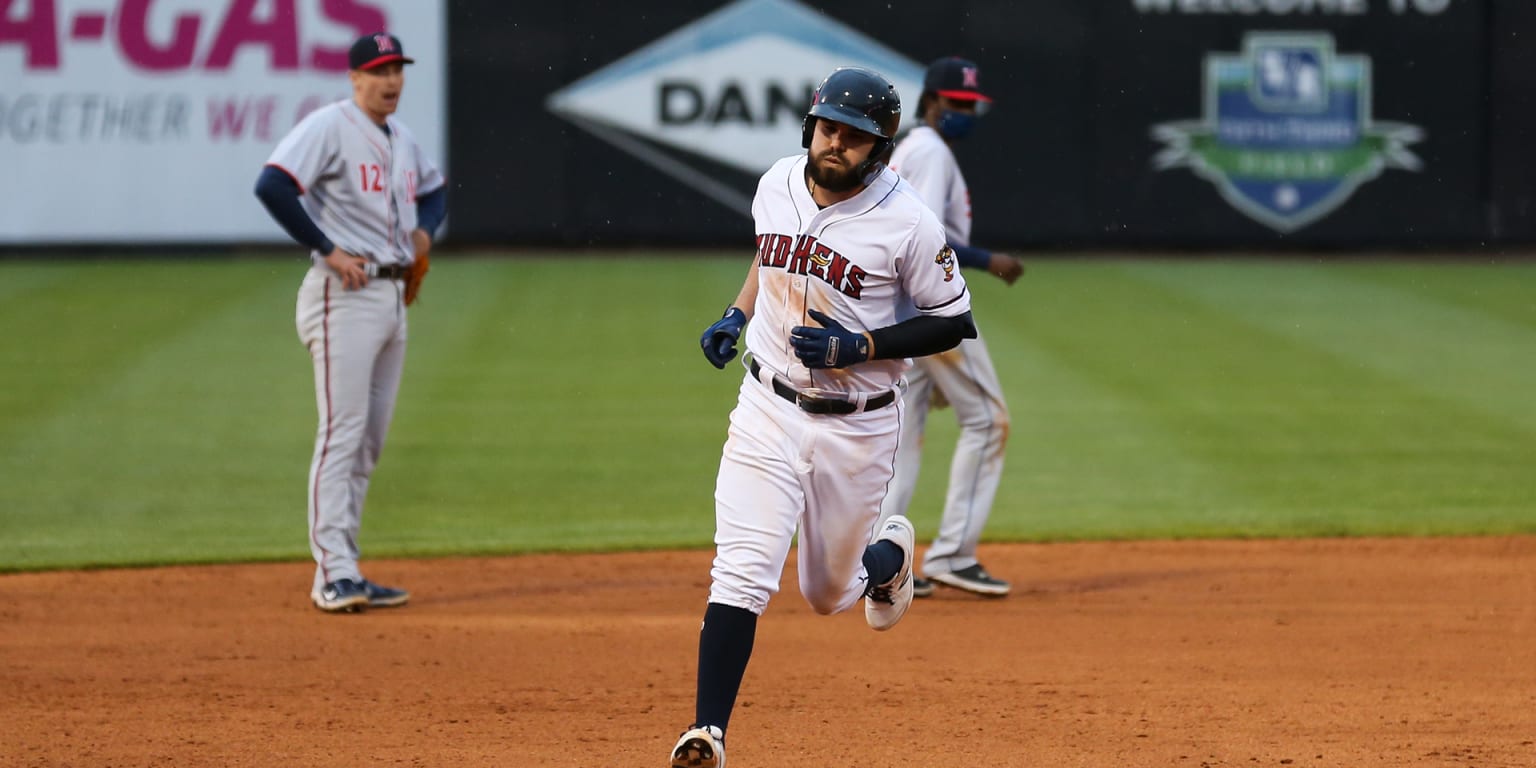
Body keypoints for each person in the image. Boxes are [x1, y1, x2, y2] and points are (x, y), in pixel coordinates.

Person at [670, 66, 977, 768]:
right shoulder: (776, 180)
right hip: (765, 408)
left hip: (857, 425)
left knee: (827, 593)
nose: (836, 143)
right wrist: (736, 312)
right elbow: (768, 254)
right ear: (811, 125)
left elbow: (953, 322)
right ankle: (707, 734)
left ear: (881, 145)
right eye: (828, 128)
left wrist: (859, 345)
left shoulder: (907, 222)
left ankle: (890, 556)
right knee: (742, 573)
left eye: (854, 135)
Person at [253, 33, 446, 613]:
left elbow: (434, 194)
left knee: (368, 441)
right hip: (344, 294)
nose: (391, 80)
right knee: (341, 433)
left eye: (398, 70)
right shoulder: (329, 126)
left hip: (391, 298)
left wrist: (422, 235)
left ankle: (348, 566)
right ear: (355, 77)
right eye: (379, 70)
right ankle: (331, 573)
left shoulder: (402, 138)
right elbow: (273, 185)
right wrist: (328, 247)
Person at [879, 56, 1022, 599]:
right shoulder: (932, 151)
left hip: (900, 309)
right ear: (932, 101)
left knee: (903, 438)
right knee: (988, 421)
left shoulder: (913, 148)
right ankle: (953, 554)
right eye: (956, 103)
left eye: (971, 105)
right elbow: (927, 238)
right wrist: (990, 260)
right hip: (930, 309)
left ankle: (880, 556)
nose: (965, 112)